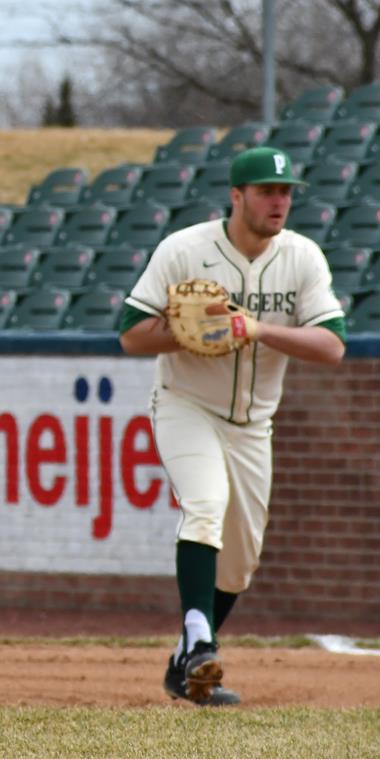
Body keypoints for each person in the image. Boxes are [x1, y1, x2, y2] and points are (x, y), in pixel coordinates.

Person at [118, 145, 346, 707]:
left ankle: (183, 664)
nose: (279, 201)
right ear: (237, 196)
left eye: (286, 191)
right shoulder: (185, 249)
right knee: (204, 506)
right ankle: (200, 640)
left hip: (253, 426)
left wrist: (257, 329)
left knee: (241, 561)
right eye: (267, 191)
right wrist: (189, 334)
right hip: (186, 404)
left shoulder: (302, 257)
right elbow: (131, 333)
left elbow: (331, 345)